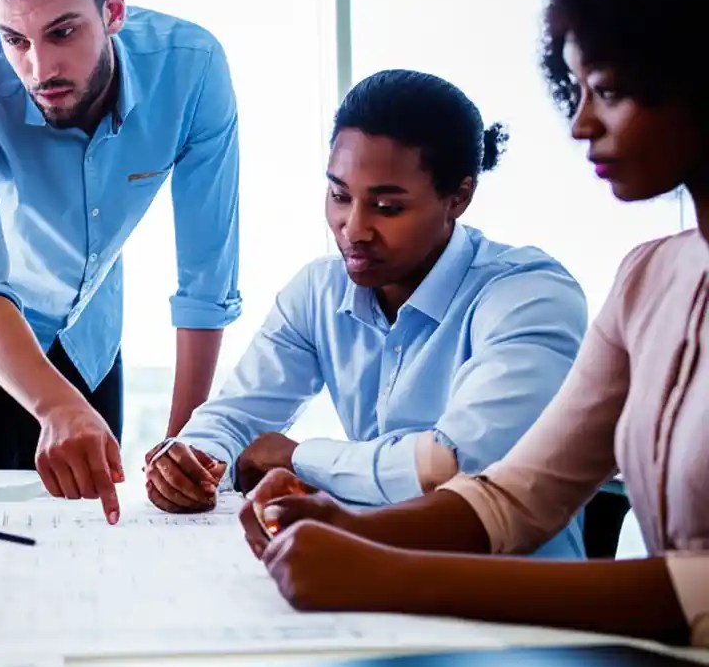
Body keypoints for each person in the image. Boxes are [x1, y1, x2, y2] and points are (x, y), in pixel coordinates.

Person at [238, 0, 707, 647]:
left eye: (606, 91)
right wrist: (350, 529)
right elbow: (517, 496)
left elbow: (696, 585)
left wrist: (386, 570)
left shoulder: (528, 289)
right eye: (574, 89)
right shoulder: (648, 277)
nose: (580, 125)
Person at [149, 69, 587, 559]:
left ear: (458, 197)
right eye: (339, 196)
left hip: (513, 591)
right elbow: (235, 418)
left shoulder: (530, 294)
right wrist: (198, 461)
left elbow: (455, 465)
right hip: (373, 573)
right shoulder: (318, 290)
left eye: (385, 206)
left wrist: (298, 458)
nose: (353, 229)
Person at [0, 0, 242, 523]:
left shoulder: (193, 70)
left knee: (94, 527)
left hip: (86, 328)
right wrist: (56, 405)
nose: (40, 68)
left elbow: (207, 276)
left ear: (112, 10)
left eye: (62, 32)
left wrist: (190, 442)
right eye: (14, 39)